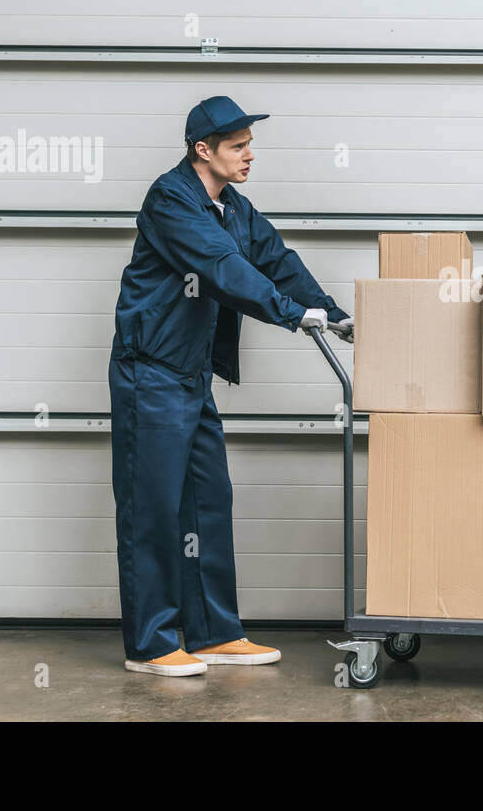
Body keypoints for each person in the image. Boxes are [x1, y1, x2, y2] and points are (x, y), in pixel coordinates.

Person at [108, 95, 352, 676]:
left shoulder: (234, 207)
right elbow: (223, 269)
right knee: (154, 508)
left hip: (191, 377)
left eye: (250, 145)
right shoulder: (171, 201)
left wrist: (331, 311)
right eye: (238, 146)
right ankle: (150, 643)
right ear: (203, 149)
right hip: (151, 373)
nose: (249, 156)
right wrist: (289, 313)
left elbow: (274, 258)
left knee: (208, 503)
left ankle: (215, 633)